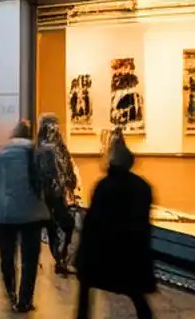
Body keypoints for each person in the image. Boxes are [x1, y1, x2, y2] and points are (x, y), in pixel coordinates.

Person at [75, 131, 156, 319]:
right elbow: (143, 223)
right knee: (136, 294)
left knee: (86, 289)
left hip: (102, 252)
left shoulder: (104, 186)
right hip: (129, 253)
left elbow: (92, 221)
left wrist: (82, 255)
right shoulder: (142, 187)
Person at [0, 120, 49, 314]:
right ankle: (24, 301)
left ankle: (10, 290)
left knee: (7, 255)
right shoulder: (36, 153)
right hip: (31, 214)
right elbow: (43, 180)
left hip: (3, 215)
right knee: (30, 259)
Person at [34, 113, 78, 274]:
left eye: (55, 124)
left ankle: (61, 256)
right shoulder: (42, 149)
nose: (54, 128)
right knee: (53, 227)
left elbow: (67, 166)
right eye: (51, 125)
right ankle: (59, 259)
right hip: (48, 195)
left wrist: (70, 183)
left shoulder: (58, 147)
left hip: (58, 194)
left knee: (65, 225)